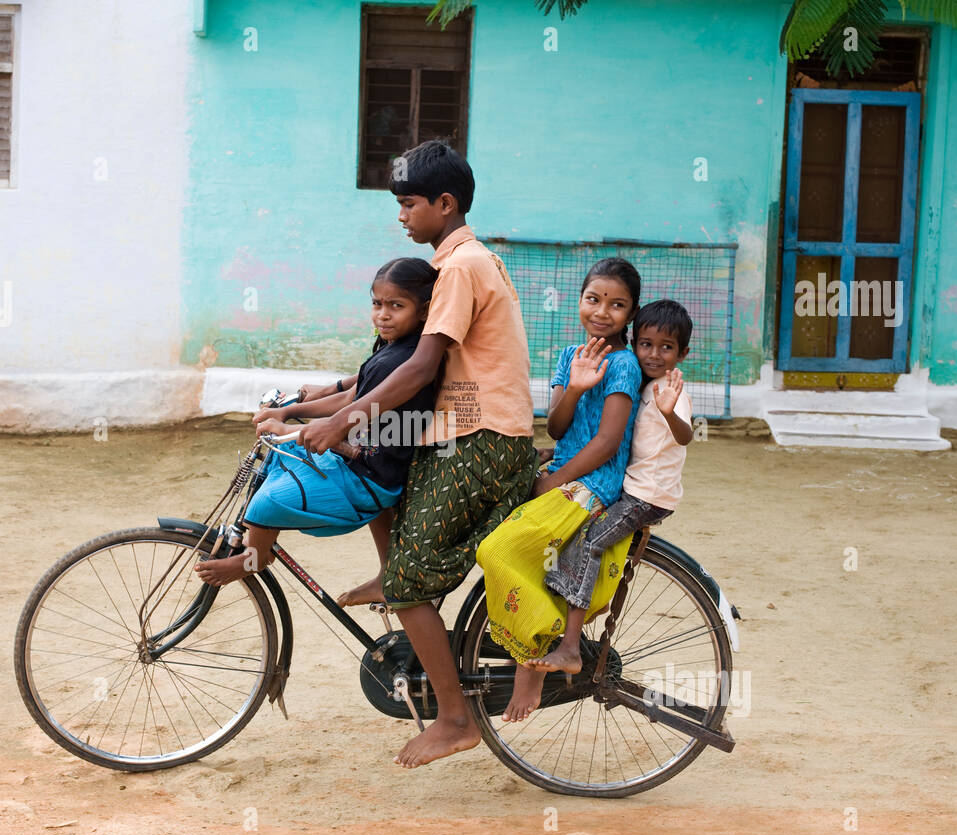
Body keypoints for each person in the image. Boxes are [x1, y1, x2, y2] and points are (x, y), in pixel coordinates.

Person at [298, 140, 538, 768]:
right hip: (461, 429)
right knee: (376, 464)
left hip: (480, 441)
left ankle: (457, 719)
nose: (401, 217)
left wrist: (348, 416)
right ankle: (393, 572)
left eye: (408, 204)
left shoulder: (459, 268)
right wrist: (330, 407)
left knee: (408, 583)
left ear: (445, 203)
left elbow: (426, 361)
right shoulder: (466, 259)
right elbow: (402, 369)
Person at [195, 258, 439, 589]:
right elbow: (351, 397)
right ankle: (262, 546)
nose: (383, 314)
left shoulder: (401, 361)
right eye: (377, 304)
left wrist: (288, 427)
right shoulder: (395, 350)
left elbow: (350, 411)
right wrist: (290, 410)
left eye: (397, 306)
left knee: (267, 500)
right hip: (364, 463)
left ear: (423, 311)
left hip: (368, 477)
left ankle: (255, 559)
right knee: (281, 456)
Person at [474, 258, 645, 722]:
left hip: (592, 482)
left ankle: (532, 659)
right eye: (594, 299)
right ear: (580, 300)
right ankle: (525, 643)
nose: (602, 311)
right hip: (568, 473)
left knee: (498, 550)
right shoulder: (570, 355)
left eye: (617, 304)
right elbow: (556, 423)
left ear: (630, 315)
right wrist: (573, 387)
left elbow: (608, 441)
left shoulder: (625, 364)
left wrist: (554, 480)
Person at [536, 299, 694, 672]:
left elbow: (685, 437)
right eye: (645, 344)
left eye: (666, 347)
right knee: (590, 534)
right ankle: (591, 599)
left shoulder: (671, 391)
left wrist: (671, 413)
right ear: (634, 341)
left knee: (588, 540)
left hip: (647, 497)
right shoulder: (642, 382)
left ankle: (571, 646)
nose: (653, 354)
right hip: (633, 490)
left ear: (683, 353)